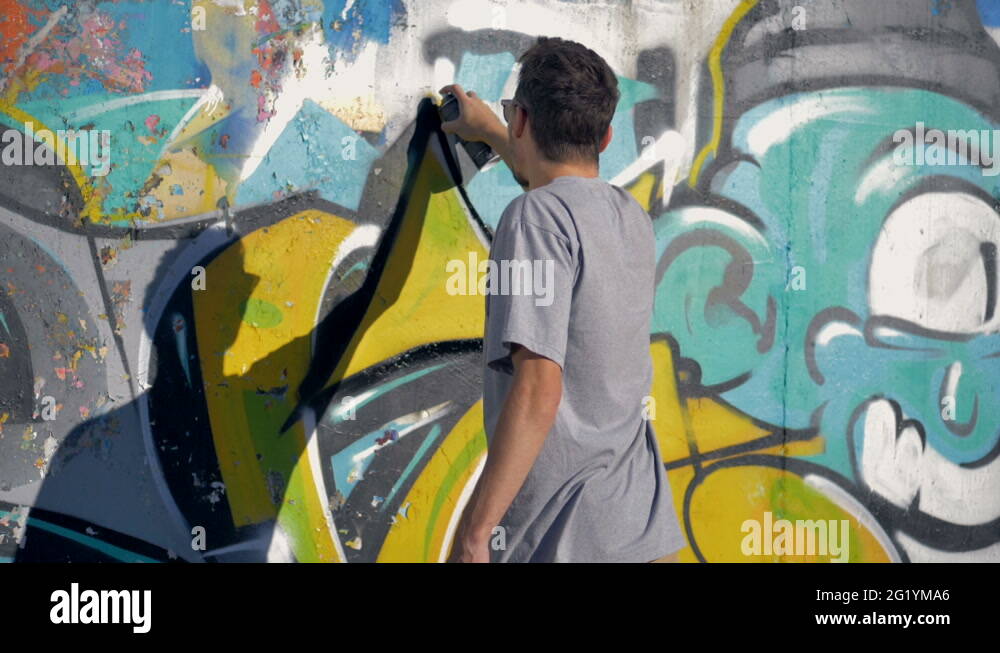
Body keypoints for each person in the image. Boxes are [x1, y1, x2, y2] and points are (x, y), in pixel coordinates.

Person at [440, 35, 685, 563]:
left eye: (513, 118)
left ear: (524, 120)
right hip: (638, 527)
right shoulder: (629, 217)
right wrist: (493, 129)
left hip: (566, 535)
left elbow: (538, 389)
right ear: (607, 135)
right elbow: (557, 185)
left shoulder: (533, 219)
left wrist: (474, 533)